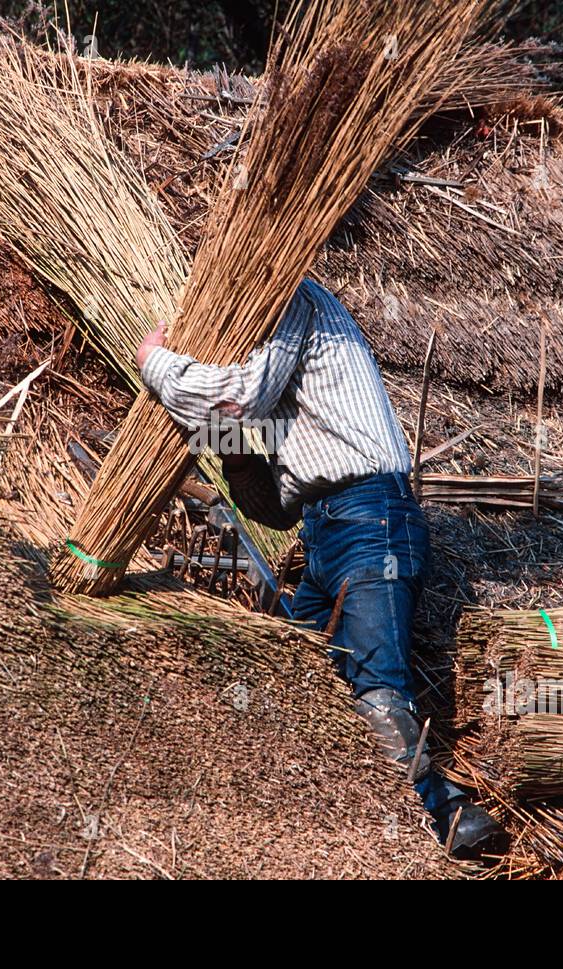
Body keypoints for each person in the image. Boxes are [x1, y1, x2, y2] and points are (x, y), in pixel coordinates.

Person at [136, 277, 506, 857]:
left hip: (371, 520)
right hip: (325, 530)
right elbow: (279, 510)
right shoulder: (293, 383)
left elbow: (239, 399)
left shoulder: (291, 299)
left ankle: (439, 825)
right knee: (302, 673)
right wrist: (233, 454)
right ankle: (350, 824)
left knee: (376, 684)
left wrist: (158, 366)